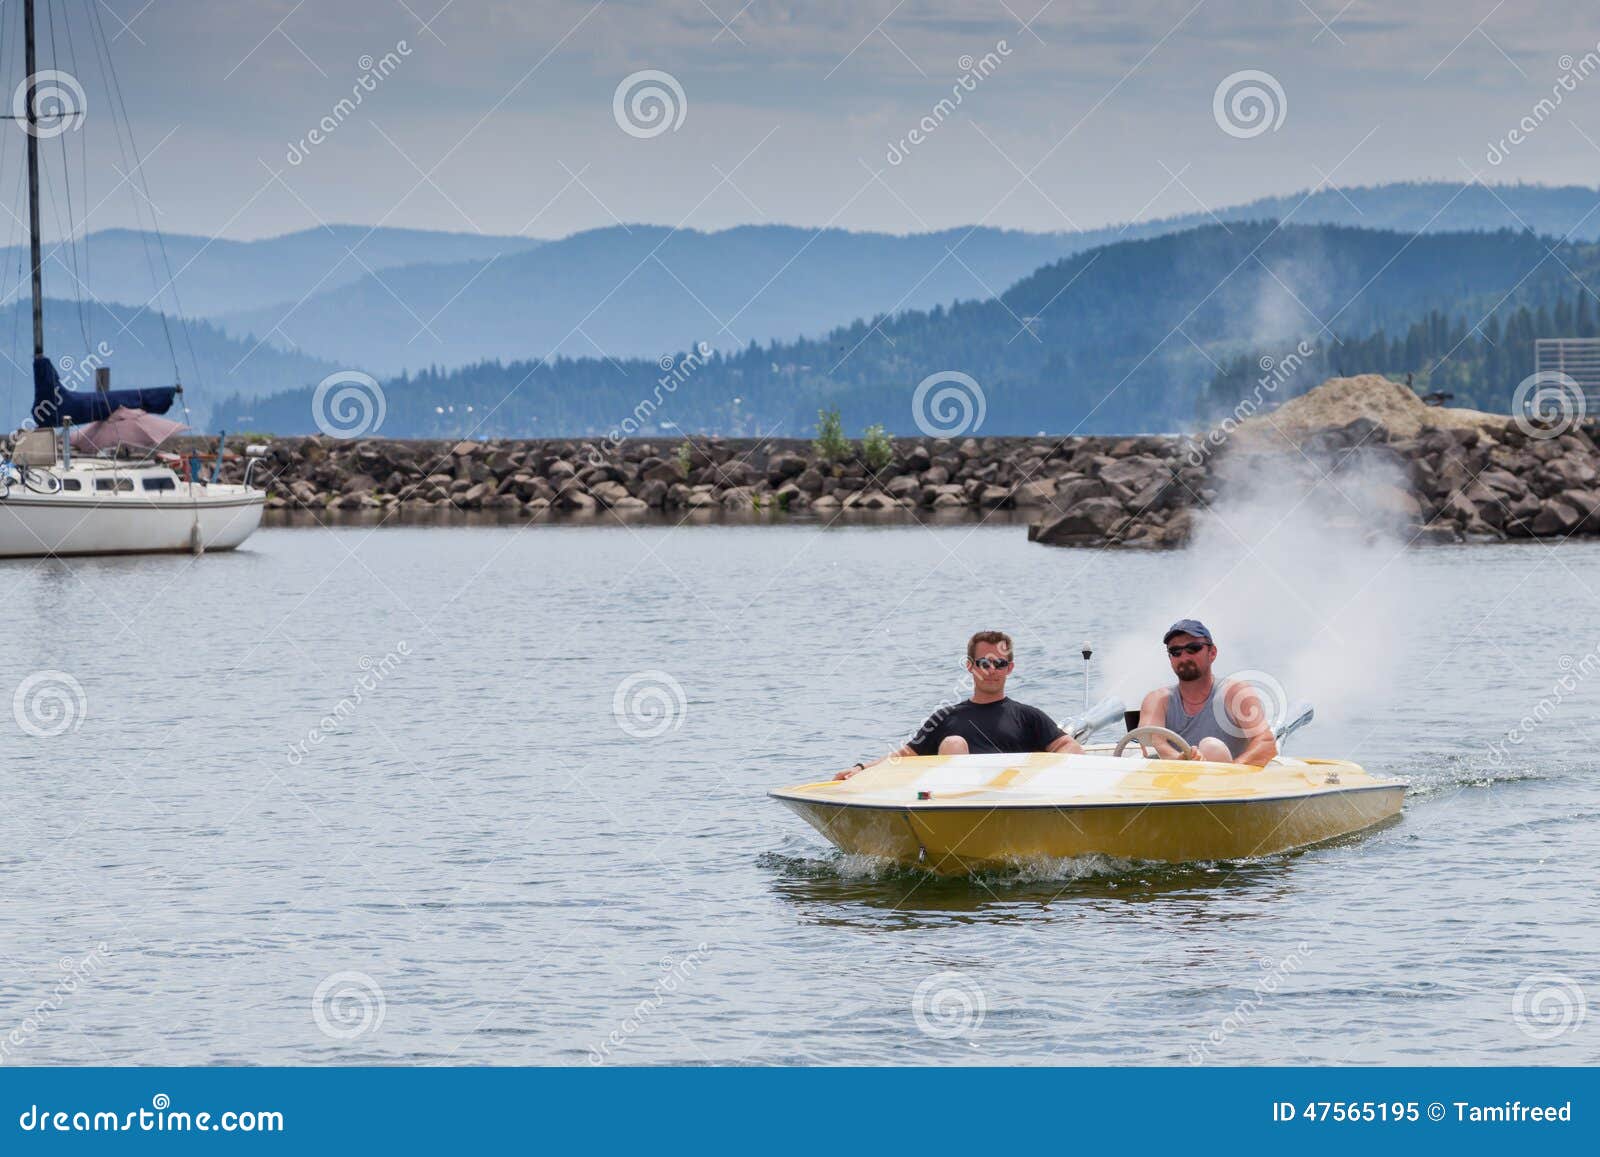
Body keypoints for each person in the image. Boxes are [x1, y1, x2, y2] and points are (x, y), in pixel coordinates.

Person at [836, 630, 1082, 779]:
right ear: (970, 666)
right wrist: (861, 769)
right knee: (954, 743)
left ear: (1009, 669)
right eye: (984, 663)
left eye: (999, 664)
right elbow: (903, 756)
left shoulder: (1028, 716)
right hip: (957, 806)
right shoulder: (944, 718)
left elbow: (1070, 747)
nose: (991, 670)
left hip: (1014, 800)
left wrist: (1040, 773)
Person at [1137, 619, 1278, 765]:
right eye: (1175, 652)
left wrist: (1232, 771)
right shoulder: (1157, 699)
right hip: (1176, 776)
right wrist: (1179, 759)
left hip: (1229, 776)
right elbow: (1150, 743)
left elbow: (1266, 744)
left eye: (1193, 648)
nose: (1184, 657)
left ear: (1212, 653)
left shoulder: (1235, 693)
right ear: (1170, 658)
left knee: (1211, 746)